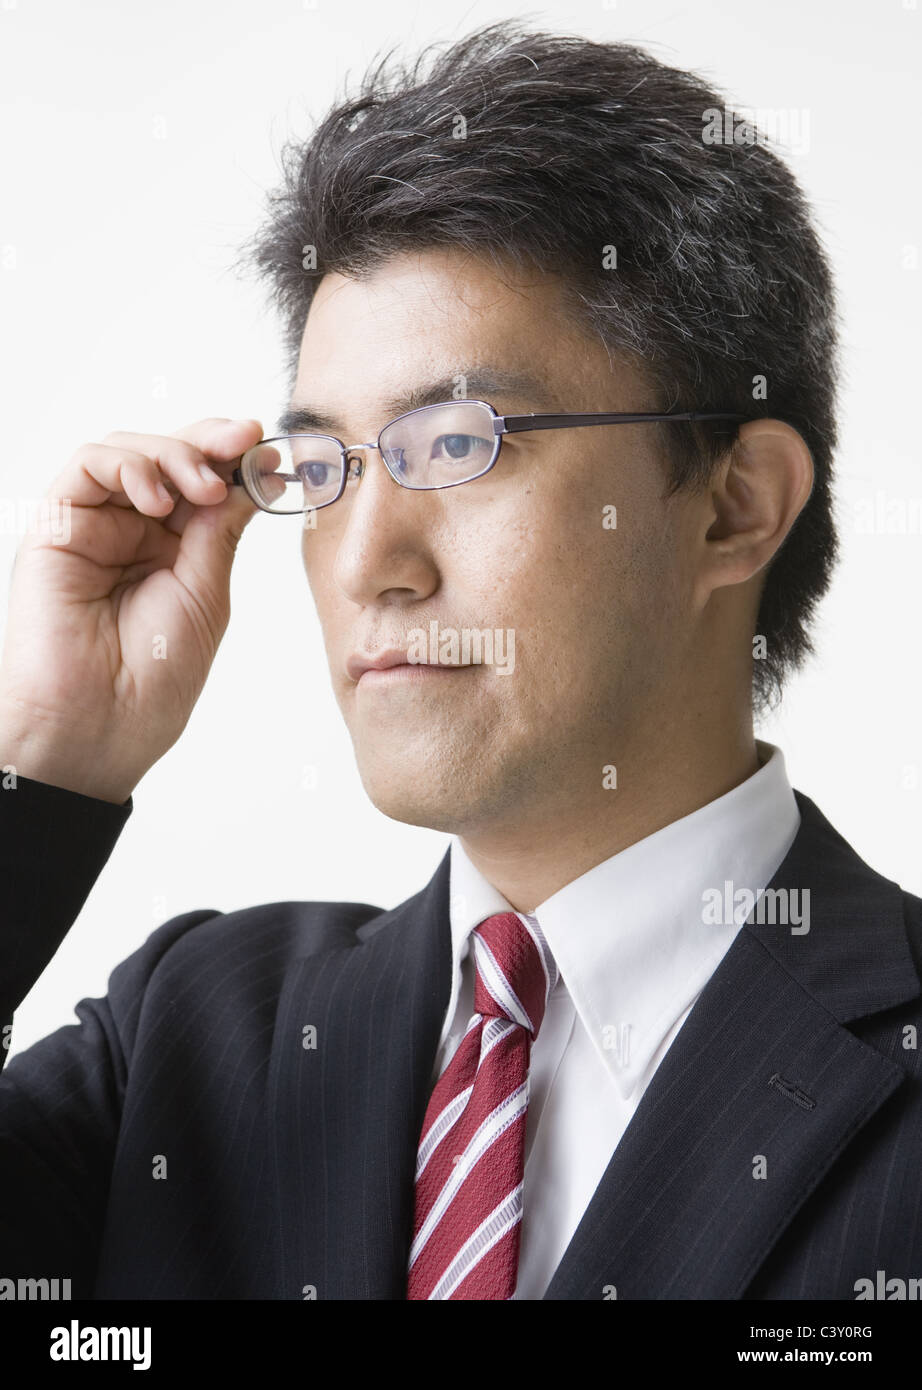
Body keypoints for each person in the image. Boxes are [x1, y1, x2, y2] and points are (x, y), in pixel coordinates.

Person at [1, 21, 919, 1302]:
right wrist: (42, 776)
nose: (369, 558)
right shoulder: (193, 1039)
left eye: (457, 442)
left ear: (733, 506)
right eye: (321, 468)